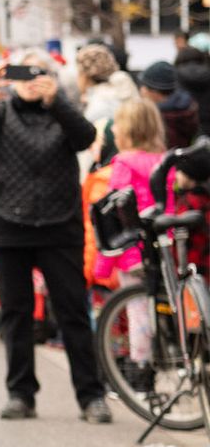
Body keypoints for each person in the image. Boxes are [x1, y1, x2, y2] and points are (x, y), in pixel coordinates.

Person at [0, 53, 111, 423]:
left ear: (52, 79)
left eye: (38, 74)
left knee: (72, 313)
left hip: (60, 226)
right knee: (16, 315)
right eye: (22, 74)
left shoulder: (62, 110)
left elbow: (86, 138)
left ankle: (91, 396)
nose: (29, 81)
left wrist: (57, 101)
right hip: (8, 224)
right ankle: (20, 394)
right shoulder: (0, 113)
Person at [91, 98, 167, 387]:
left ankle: (141, 370)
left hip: (133, 250)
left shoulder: (122, 163)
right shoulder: (164, 160)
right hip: (165, 243)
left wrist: (102, 265)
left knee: (138, 310)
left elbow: (112, 215)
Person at [137, 61, 197, 152]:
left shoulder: (156, 118)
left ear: (155, 91)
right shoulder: (188, 107)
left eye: (144, 86)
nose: (141, 90)